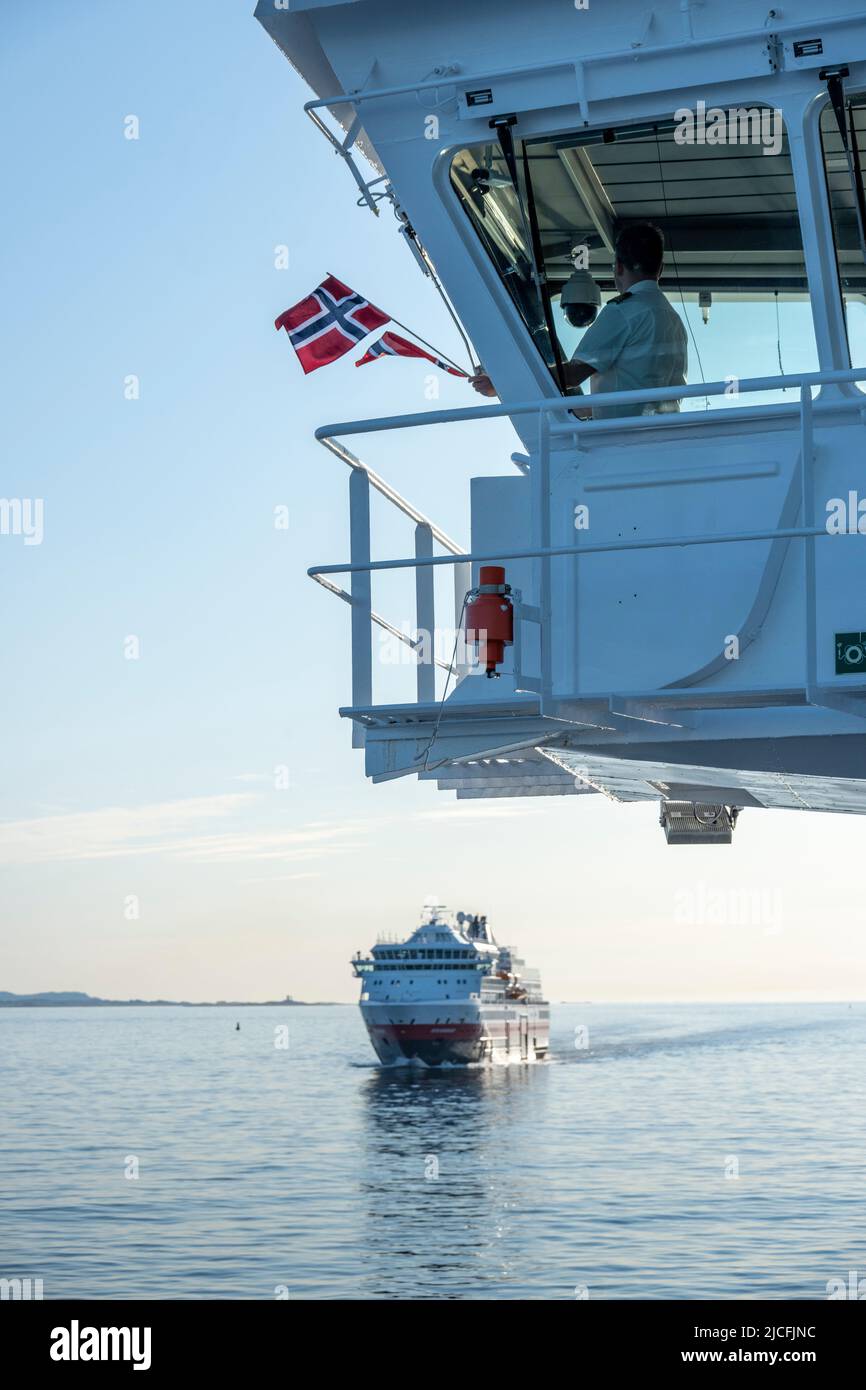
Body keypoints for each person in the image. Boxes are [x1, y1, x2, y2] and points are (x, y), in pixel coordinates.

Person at [470, 222, 687, 419]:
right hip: (660, 437)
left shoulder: (623, 311)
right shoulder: (674, 321)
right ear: (661, 269)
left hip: (621, 439)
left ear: (618, 267)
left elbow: (573, 375)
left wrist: (502, 382)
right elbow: (629, 399)